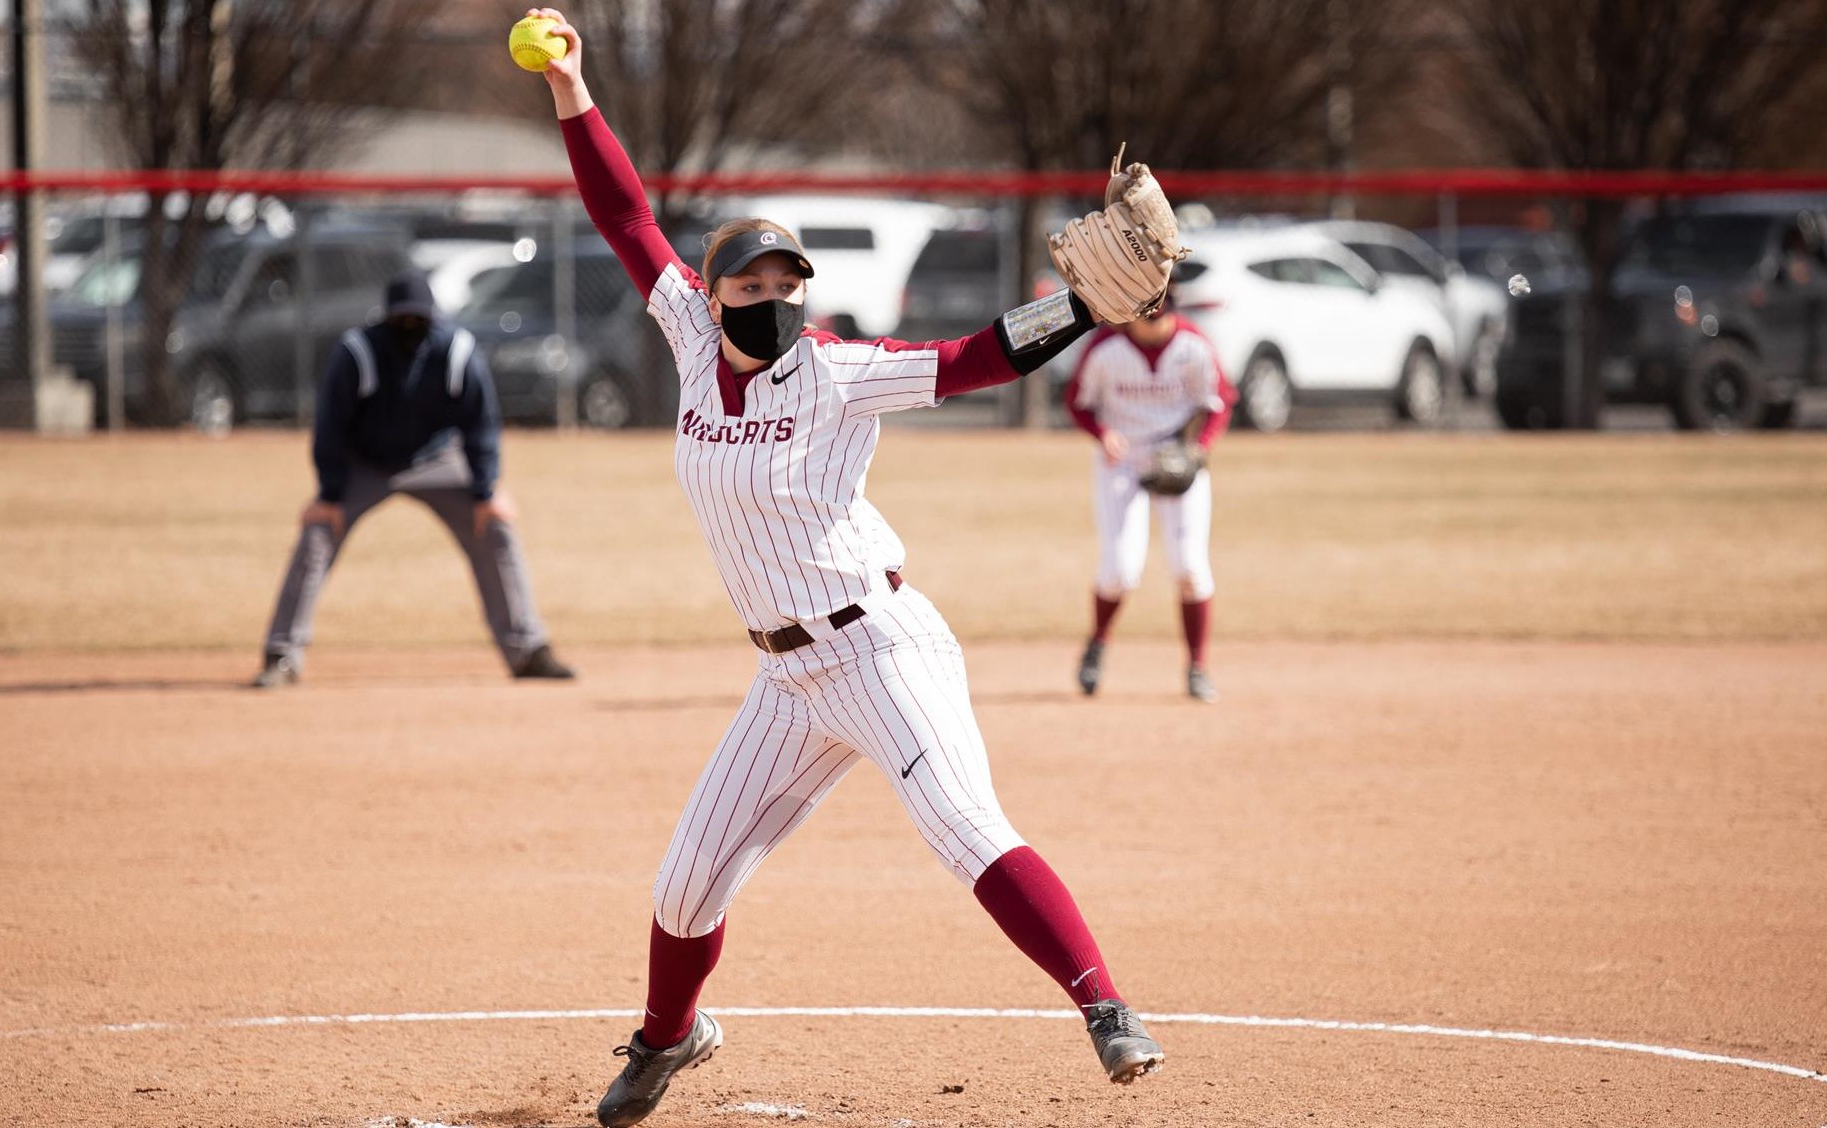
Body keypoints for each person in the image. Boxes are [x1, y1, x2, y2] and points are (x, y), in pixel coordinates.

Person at [522, 9, 1164, 1126]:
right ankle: (668, 1039)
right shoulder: (684, 339)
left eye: (788, 285)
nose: (773, 301)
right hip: (783, 677)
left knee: (964, 825)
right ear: (714, 295)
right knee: (683, 885)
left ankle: (1105, 1008)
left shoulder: (832, 372)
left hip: (878, 642)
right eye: (753, 286)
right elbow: (626, 215)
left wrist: (1077, 305)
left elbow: (970, 360)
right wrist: (573, 90)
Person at [252, 270, 574, 687]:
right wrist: (330, 495)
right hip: (363, 463)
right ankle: (282, 655)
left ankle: (527, 649)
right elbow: (330, 424)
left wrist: (485, 490)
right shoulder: (357, 352)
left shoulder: (456, 350)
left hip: (436, 459)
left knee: (494, 526)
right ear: (385, 318)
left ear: (434, 318)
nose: (410, 328)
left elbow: (481, 423)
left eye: (418, 319)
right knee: (317, 533)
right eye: (402, 319)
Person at [1064, 292, 1235, 703]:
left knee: (1190, 567)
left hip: (1177, 455)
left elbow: (1219, 402)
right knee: (1121, 568)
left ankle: (1197, 667)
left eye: (1165, 320)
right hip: (1122, 459)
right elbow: (1077, 402)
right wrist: (1102, 434)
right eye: (1150, 321)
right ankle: (1097, 645)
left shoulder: (1193, 344)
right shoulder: (1107, 348)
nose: (1160, 330)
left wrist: (1199, 448)